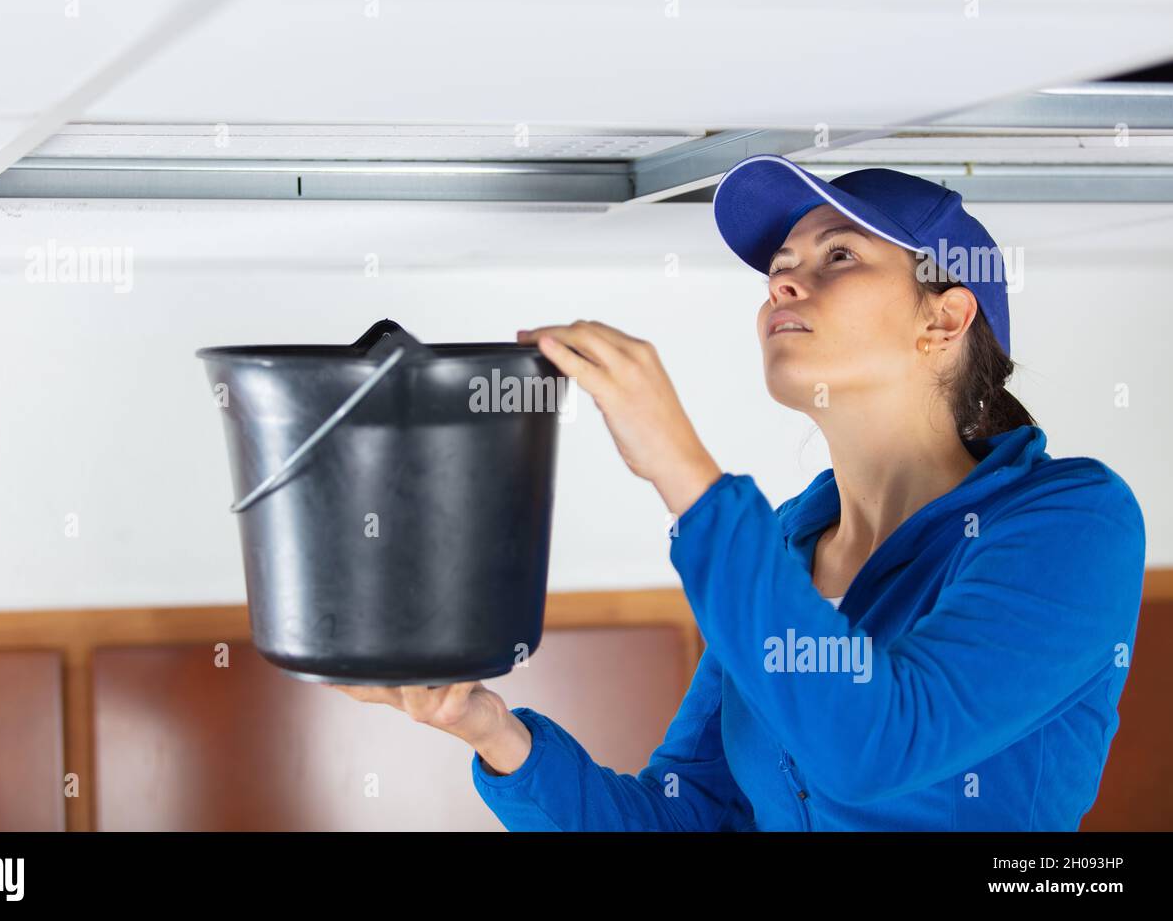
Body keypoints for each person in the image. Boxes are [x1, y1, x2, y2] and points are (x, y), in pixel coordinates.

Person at [326, 153, 1147, 831]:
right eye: (780, 269)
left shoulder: (1073, 523)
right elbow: (689, 814)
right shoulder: (786, 546)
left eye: (838, 256)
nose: (782, 285)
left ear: (945, 319)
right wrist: (492, 731)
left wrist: (683, 472)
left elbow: (879, 747)